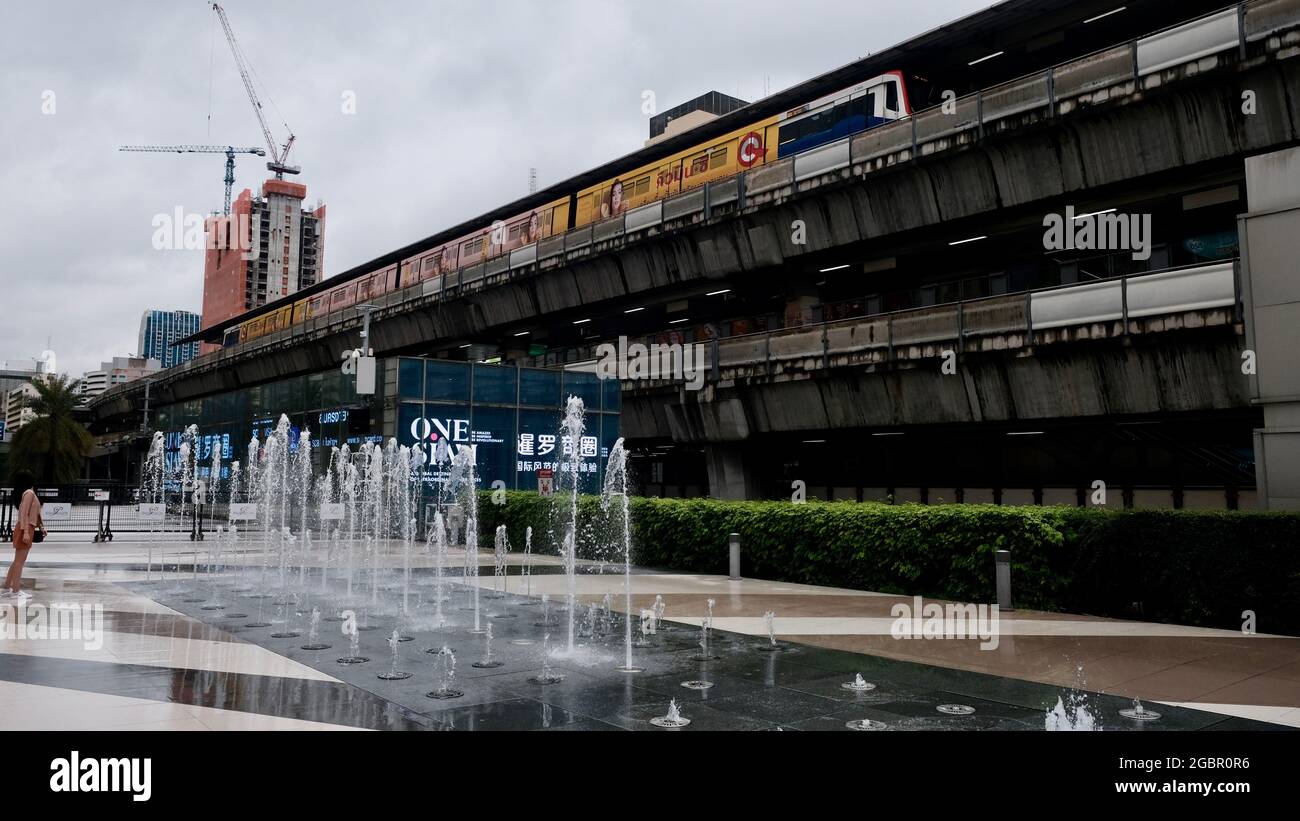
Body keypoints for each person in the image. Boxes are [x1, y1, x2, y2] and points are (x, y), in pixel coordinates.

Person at [4, 470, 42, 599]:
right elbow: (23, 512)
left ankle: (7, 586)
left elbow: (34, 512)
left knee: (17, 560)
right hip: (24, 528)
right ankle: (15, 591)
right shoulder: (29, 493)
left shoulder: (27, 493)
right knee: (20, 561)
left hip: (24, 527)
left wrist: (41, 526)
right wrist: (26, 531)